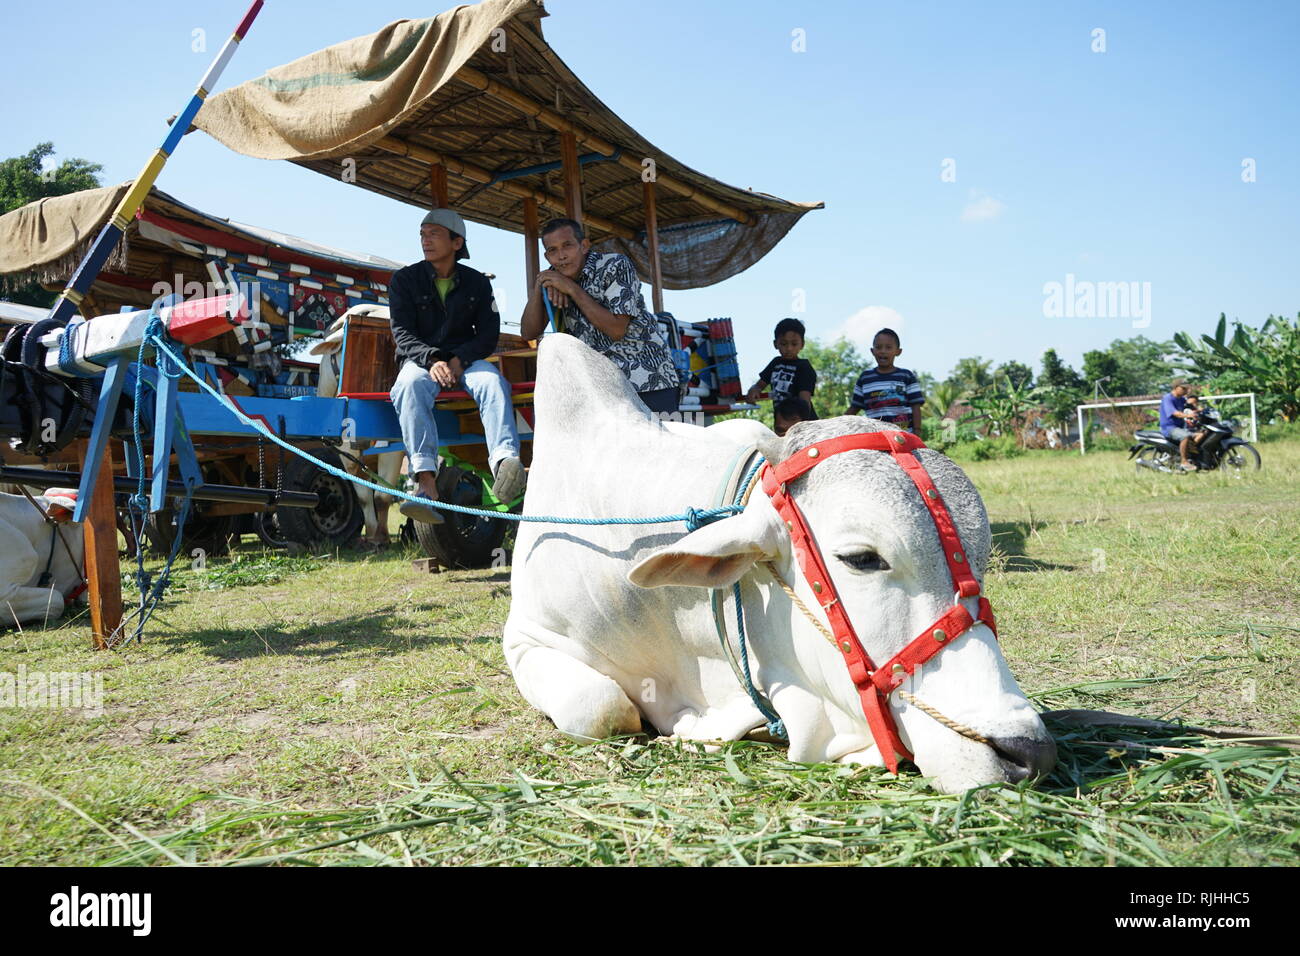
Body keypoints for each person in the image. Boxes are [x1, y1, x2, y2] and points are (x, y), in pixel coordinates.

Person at [388, 208, 525, 524]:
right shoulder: (404, 280)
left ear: (456, 241)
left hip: (467, 361)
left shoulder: (478, 283)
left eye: (433, 234)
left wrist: (459, 360)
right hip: (421, 361)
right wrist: (432, 359)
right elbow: (402, 332)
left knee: (493, 383)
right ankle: (425, 484)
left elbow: (489, 333)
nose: (425, 240)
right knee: (408, 385)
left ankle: (505, 464)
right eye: (422, 234)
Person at [519, 218, 680, 413]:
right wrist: (539, 286)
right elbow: (528, 333)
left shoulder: (615, 265)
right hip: (599, 389)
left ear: (584, 245)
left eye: (567, 245)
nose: (561, 256)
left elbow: (616, 329)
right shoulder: (554, 279)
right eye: (553, 250)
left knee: (656, 443)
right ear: (547, 256)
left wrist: (571, 289)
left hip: (647, 378)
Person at [846, 328, 924, 433]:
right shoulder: (865, 378)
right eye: (878, 347)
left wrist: (917, 431)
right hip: (875, 435)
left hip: (903, 435)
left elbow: (916, 406)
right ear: (872, 351)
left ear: (898, 351)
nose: (883, 351)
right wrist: (838, 424)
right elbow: (855, 407)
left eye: (888, 347)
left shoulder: (906, 376)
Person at [744, 318, 817, 413]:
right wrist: (753, 390)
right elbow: (759, 386)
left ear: (802, 344)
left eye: (794, 344)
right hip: (780, 420)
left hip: (801, 421)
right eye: (783, 343)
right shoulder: (775, 363)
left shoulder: (804, 367)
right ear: (775, 344)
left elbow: (805, 403)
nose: (789, 348)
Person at [1159, 378, 1205, 471]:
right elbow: (1175, 413)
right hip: (1169, 428)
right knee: (1185, 436)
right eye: (1183, 388)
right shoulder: (1168, 398)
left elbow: (1191, 407)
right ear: (1176, 387)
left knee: (1201, 434)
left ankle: (1190, 455)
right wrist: (1189, 415)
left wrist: (1200, 410)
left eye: (1186, 389)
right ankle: (1184, 462)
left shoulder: (1182, 399)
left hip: (1180, 428)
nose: (1186, 391)